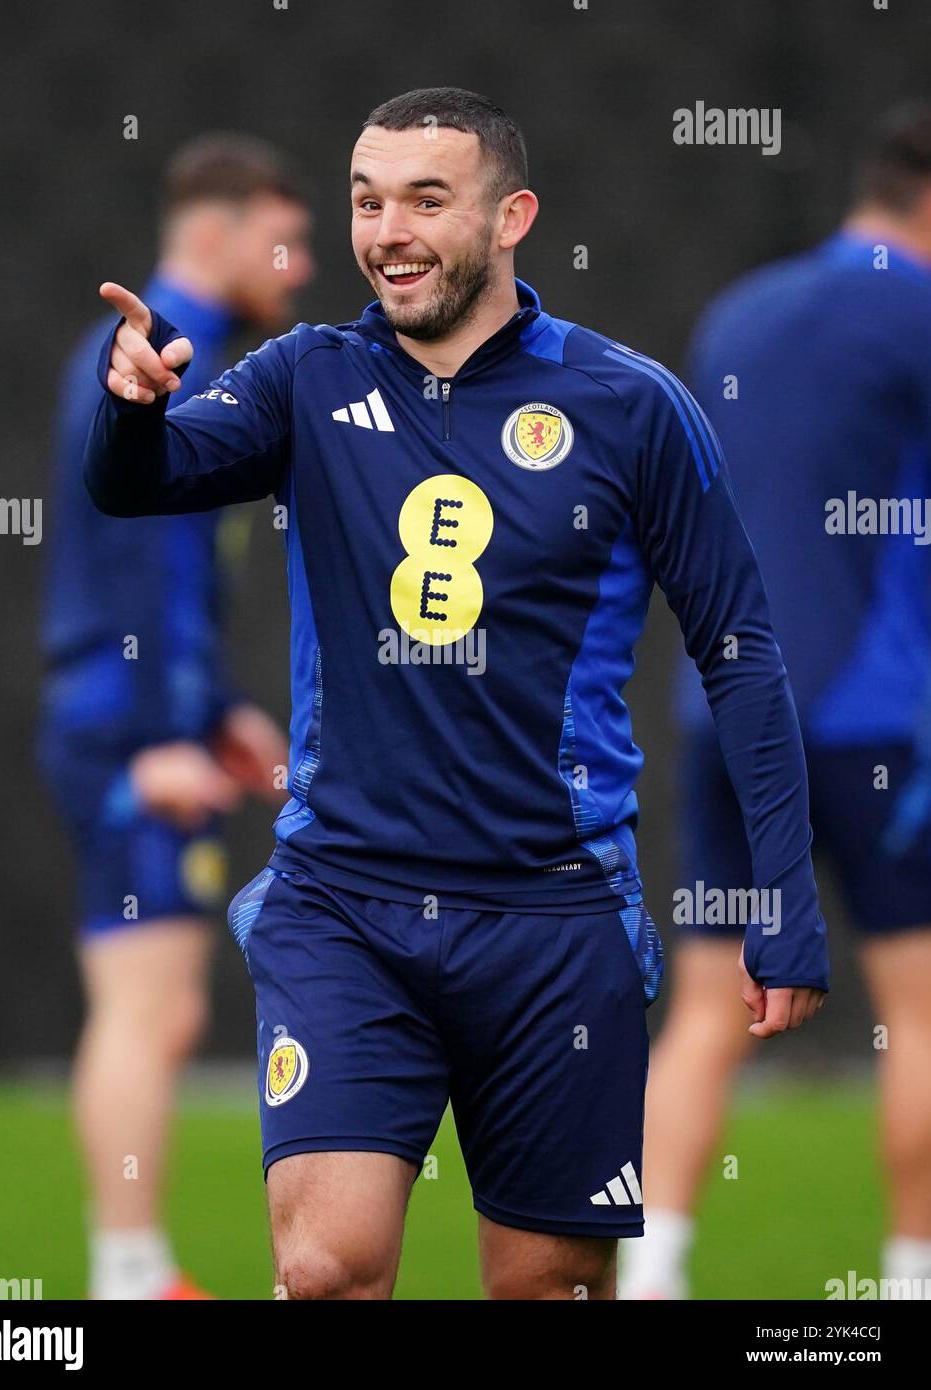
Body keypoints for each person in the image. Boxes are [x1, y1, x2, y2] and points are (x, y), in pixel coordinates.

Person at [82, 87, 827, 1301]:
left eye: (428, 199)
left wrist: (782, 893)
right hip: (346, 901)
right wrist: (131, 408)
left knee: (547, 1286)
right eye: (368, 201)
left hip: (555, 915)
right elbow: (142, 480)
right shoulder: (304, 378)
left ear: (513, 214)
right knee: (325, 1268)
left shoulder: (631, 407)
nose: (389, 231)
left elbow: (739, 650)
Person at [620, 104, 931, 1301]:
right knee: (916, 1005)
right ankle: (909, 1280)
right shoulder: (917, 317)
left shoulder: (737, 314)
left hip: (726, 710)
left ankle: (652, 1278)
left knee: (703, 1005)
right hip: (875, 719)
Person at [38, 132, 314, 1300]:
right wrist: (159, 734)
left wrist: (223, 713)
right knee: (145, 1003)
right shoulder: (156, 355)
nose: (296, 267)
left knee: (165, 996)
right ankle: (128, 1274)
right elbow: (132, 572)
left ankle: (133, 1266)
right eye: (279, 238)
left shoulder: (174, 358)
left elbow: (172, 583)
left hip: (141, 710)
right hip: (120, 724)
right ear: (213, 228)